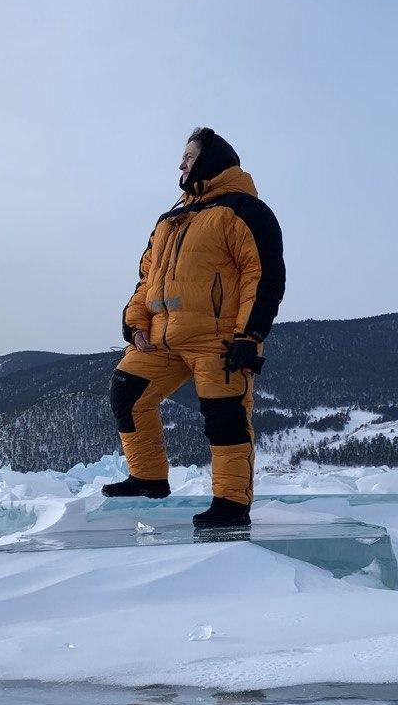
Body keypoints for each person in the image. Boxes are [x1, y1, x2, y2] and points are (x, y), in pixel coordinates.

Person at [104, 127, 285, 528]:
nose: (181, 164)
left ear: (211, 159)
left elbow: (264, 276)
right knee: (127, 393)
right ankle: (148, 477)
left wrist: (249, 336)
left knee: (225, 419)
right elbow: (145, 280)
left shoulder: (245, 211)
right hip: (160, 340)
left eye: (189, 156)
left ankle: (231, 505)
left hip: (218, 341)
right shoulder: (170, 220)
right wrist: (136, 323)